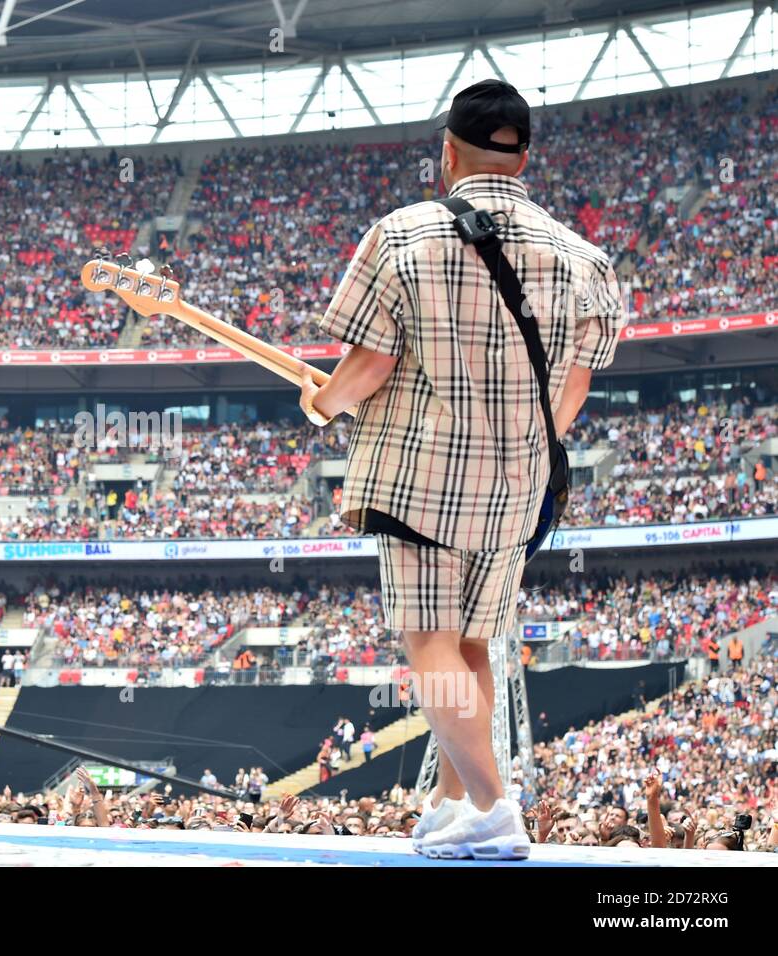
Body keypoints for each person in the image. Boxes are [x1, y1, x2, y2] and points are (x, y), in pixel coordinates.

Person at [300, 80, 624, 861]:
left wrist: (322, 404)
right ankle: (453, 802)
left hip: (420, 482)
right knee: (474, 641)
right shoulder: (581, 257)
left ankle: (491, 806)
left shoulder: (404, 235)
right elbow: (573, 389)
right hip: (519, 487)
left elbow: (369, 363)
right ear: (524, 157)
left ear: (447, 153)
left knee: (431, 644)